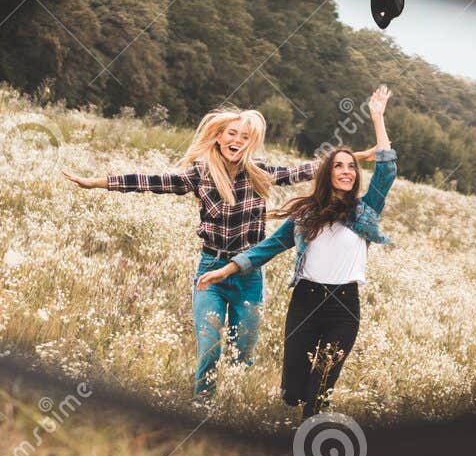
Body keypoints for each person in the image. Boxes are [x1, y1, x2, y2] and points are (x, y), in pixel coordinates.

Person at [61, 108, 379, 396]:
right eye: (232, 134)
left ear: (250, 143)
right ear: (218, 136)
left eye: (244, 137)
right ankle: (203, 406)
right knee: (210, 348)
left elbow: (306, 170)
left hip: (249, 276)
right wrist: (97, 183)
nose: (237, 141)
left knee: (242, 353)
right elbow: (150, 181)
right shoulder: (199, 175)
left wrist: (362, 154)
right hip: (209, 269)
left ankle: (234, 402)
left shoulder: (259, 174)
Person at [198, 86, 396, 418]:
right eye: (338, 166)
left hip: (344, 305)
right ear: (328, 174)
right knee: (293, 390)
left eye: (351, 166)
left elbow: (387, 170)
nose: (346, 171)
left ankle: (308, 439)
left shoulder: (365, 211)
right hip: (306, 300)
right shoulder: (305, 214)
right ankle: (295, 407)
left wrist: (377, 117)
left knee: (321, 385)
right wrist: (226, 269)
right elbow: (267, 248)